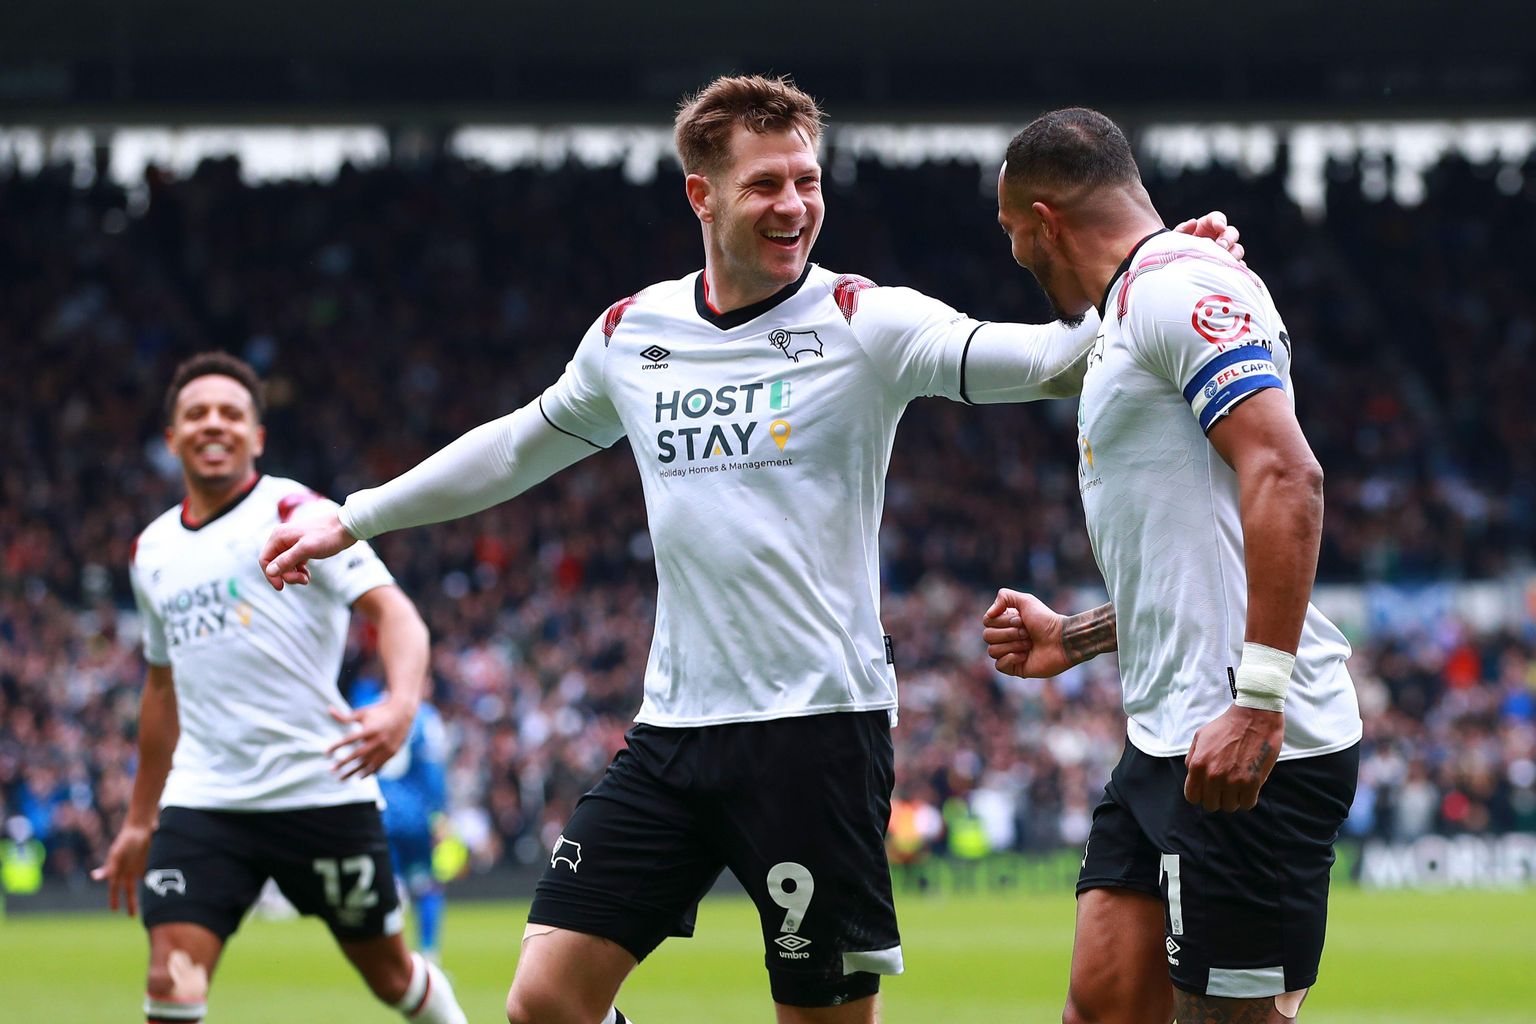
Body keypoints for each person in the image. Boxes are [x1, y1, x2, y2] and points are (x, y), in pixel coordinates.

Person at [260, 75, 1243, 1024]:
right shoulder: (630, 333)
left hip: (816, 732)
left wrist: (1159, 274)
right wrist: (357, 516)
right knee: (546, 998)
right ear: (703, 193)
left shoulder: (865, 320)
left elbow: (1047, 360)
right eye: (767, 183)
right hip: (674, 731)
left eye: (808, 181)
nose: (795, 204)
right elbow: (519, 443)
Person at [982, 108, 1362, 1024]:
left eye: (1009, 235)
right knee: (1103, 1009)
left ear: (1044, 220)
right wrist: (1072, 639)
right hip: (1166, 741)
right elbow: (1198, 561)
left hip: (1252, 747)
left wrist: (1259, 703)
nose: (1015, 256)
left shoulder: (1174, 285)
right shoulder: (1134, 305)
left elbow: (1289, 474)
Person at [92, 352, 467, 1024]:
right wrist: (140, 820)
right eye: (196, 414)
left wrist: (401, 705)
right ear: (172, 437)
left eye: (231, 413)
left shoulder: (300, 511)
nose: (214, 424)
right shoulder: (150, 550)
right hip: (206, 800)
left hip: (319, 788)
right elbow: (160, 691)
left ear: (256, 436)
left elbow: (397, 615)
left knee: (390, 976)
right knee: (170, 979)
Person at [352, 677, 453, 963]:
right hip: (415, 819)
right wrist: (439, 814)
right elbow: (433, 771)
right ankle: (429, 956)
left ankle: (388, 960)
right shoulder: (425, 717)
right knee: (426, 885)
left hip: (376, 814)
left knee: (384, 888)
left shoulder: (366, 709)